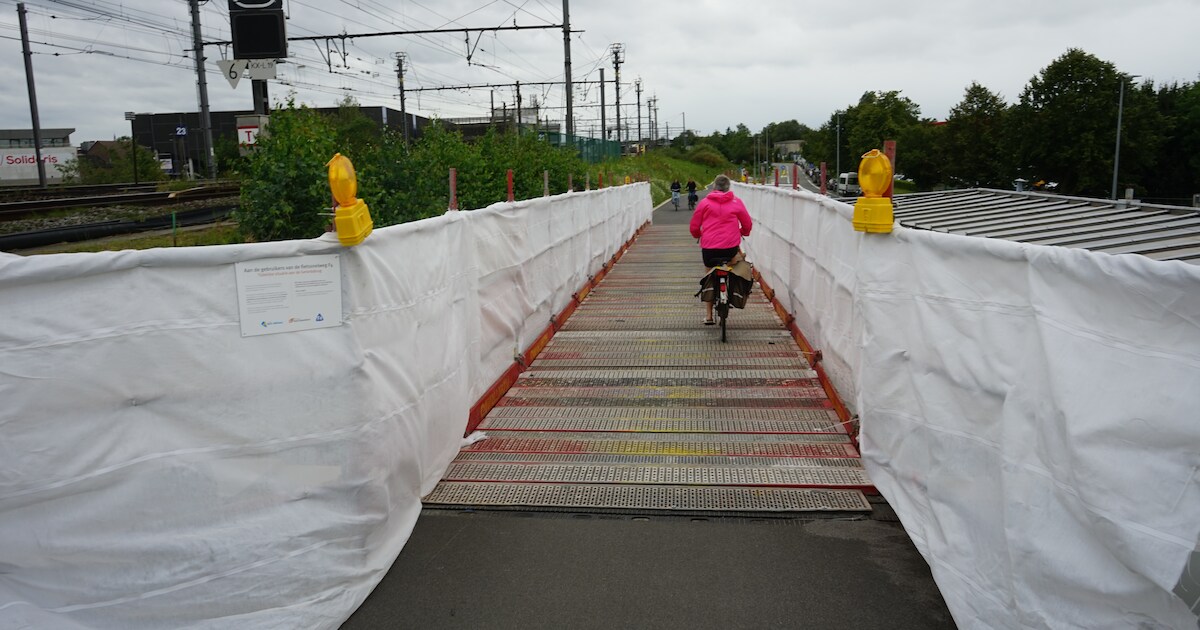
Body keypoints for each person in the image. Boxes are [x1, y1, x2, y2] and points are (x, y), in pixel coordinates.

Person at [689, 174, 752, 325]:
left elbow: (694, 226)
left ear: (714, 187)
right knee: (732, 267)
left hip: (709, 249)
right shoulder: (736, 202)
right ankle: (729, 295)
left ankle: (709, 315)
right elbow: (747, 223)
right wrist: (743, 232)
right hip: (730, 248)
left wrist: (698, 234)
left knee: (709, 274)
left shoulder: (704, 203)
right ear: (728, 188)